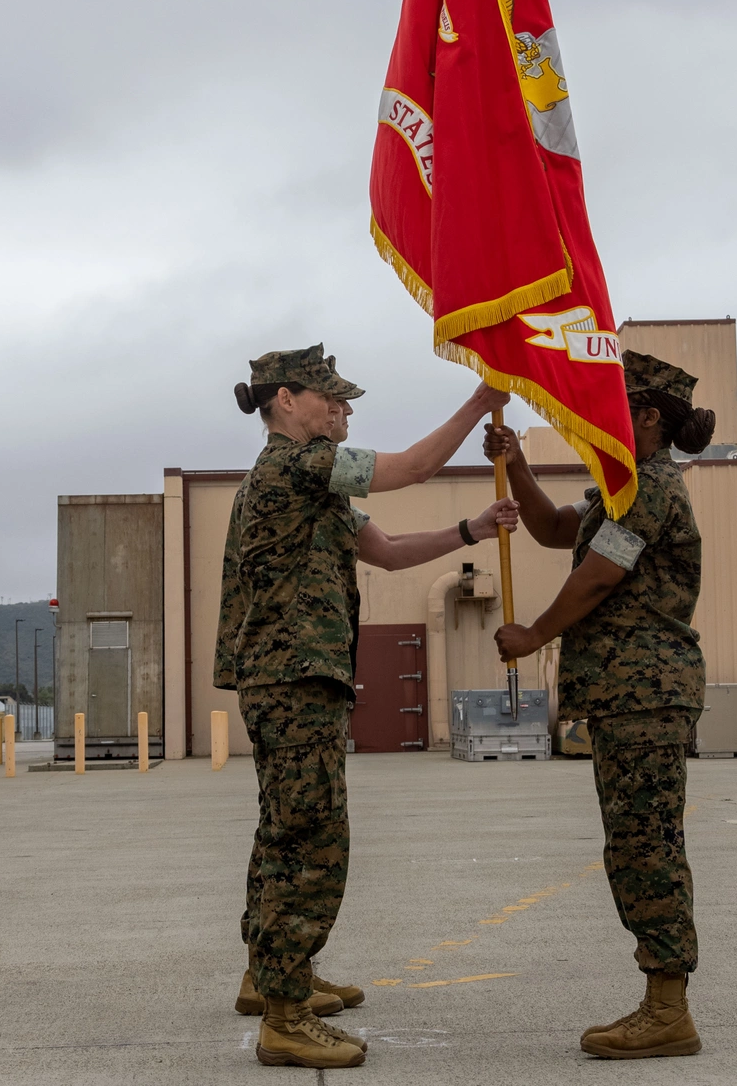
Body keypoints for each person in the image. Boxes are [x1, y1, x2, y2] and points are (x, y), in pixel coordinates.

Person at [214, 344, 516, 1070]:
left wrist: (470, 531)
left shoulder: (314, 485)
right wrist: (480, 402)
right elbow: (412, 468)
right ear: (285, 399)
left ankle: (274, 974)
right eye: (332, 399)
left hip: (291, 677)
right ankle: (285, 1015)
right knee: (311, 840)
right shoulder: (296, 466)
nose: (344, 411)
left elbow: (387, 550)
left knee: (285, 830)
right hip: (293, 677)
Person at [484, 350, 715, 1061]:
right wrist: (516, 462)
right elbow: (557, 529)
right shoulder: (621, 488)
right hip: (626, 695)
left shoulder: (650, 487)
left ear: (647, 418)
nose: (598, 419)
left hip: (646, 693)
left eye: (616, 408)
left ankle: (668, 1009)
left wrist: (532, 635)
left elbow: (597, 575)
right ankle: (661, 1000)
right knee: (633, 844)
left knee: (647, 846)